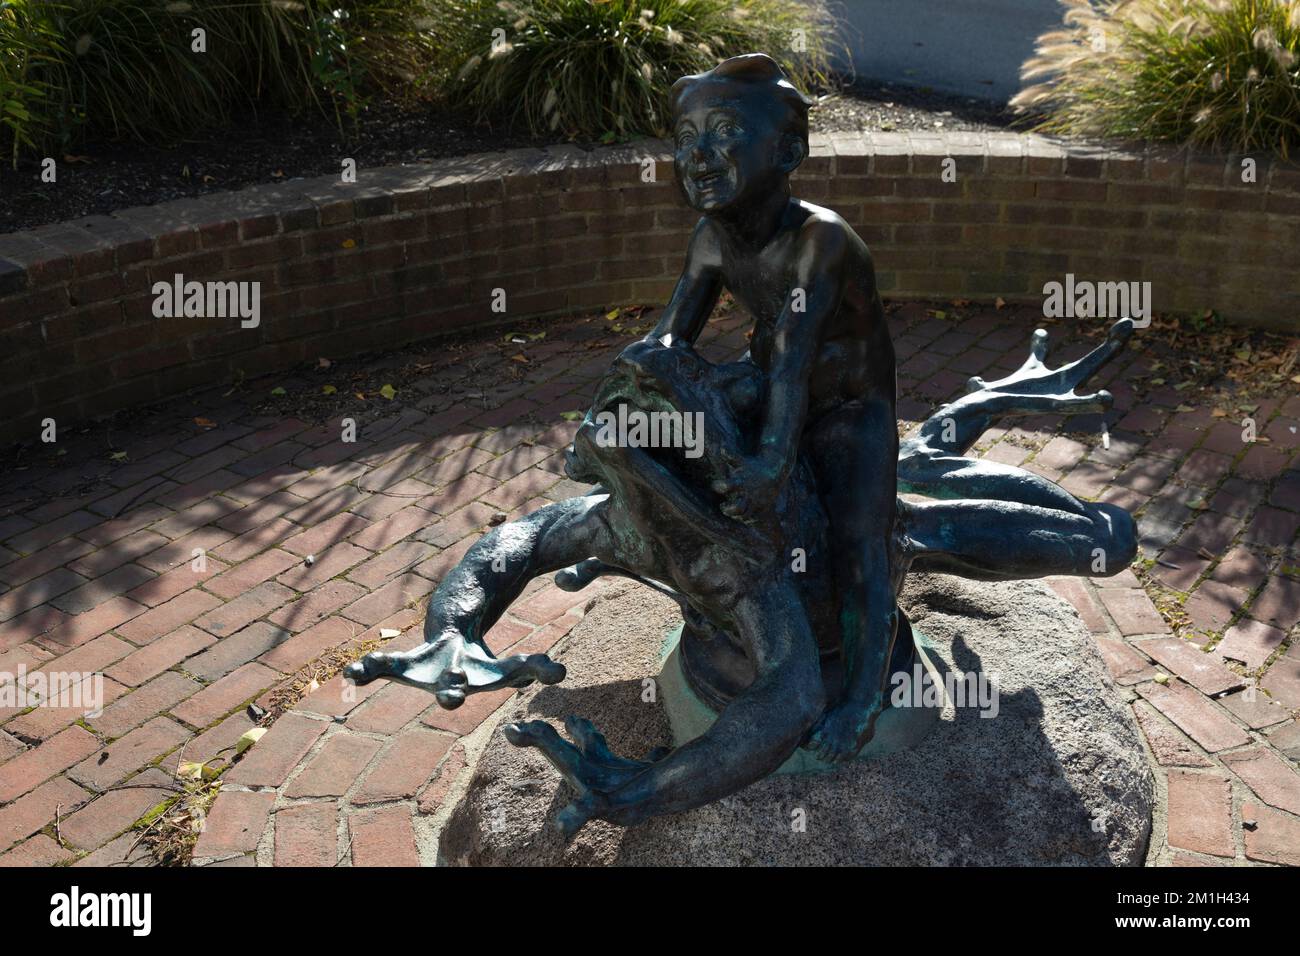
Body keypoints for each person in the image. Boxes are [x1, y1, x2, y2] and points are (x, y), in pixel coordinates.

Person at [646, 53, 899, 761]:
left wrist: (769, 464)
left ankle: (861, 696)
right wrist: (634, 398)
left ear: (789, 150)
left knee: (860, 541)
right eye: (685, 135)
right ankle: (733, 618)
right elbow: (669, 337)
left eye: (724, 131)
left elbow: (793, 357)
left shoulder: (821, 241)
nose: (697, 153)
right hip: (773, 387)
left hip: (849, 410)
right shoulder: (712, 235)